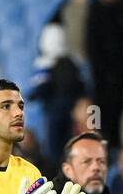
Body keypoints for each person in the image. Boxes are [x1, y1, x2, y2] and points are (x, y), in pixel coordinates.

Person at [86, 0, 123, 147]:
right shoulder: (95, 11)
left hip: (120, 73)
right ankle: (98, 142)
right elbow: (92, 45)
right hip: (101, 75)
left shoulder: (122, 9)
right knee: (98, 111)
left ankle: (116, 146)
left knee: (119, 114)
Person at [29, 23, 87, 162]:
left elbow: (40, 90)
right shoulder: (73, 62)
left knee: (54, 150)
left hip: (53, 113)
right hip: (69, 112)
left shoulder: (44, 64)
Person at [48, 0, 94, 65]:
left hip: (94, 58)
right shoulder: (64, 6)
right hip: (73, 60)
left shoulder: (96, 2)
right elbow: (52, 29)